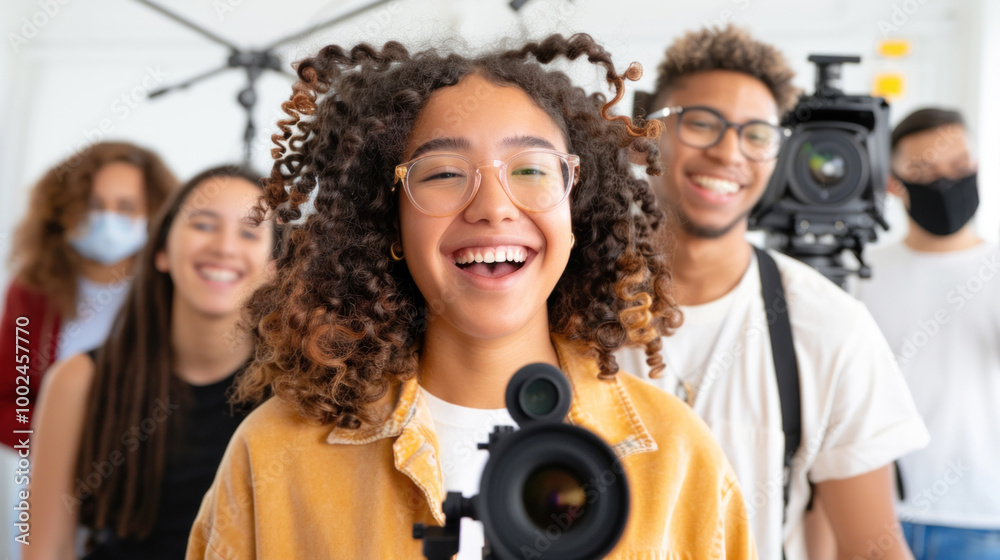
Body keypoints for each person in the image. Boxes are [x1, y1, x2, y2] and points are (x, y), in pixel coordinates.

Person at [186, 34, 757, 559]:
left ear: (576, 208)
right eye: (442, 173)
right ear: (390, 224)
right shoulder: (271, 457)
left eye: (532, 169)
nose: (493, 206)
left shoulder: (678, 457)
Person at [617, 25, 929, 559]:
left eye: (756, 134)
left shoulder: (832, 327)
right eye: (700, 123)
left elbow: (873, 549)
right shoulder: (565, 301)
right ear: (650, 131)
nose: (727, 152)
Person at [28, 166, 276, 559]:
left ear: (273, 268)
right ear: (161, 251)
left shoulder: (300, 390)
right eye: (204, 225)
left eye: (249, 232)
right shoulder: (77, 381)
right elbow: (45, 549)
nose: (225, 247)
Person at [857, 108, 1000, 559]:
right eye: (923, 170)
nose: (945, 181)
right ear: (893, 183)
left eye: (958, 168)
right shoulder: (860, 275)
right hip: (874, 511)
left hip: (981, 517)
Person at [1, 141, 178, 450]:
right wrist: (61, 446)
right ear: (63, 211)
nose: (109, 220)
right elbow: (7, 402)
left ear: (154, 213)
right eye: (94, 205)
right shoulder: (33, 290)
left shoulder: (173, 289)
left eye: (126, 207)